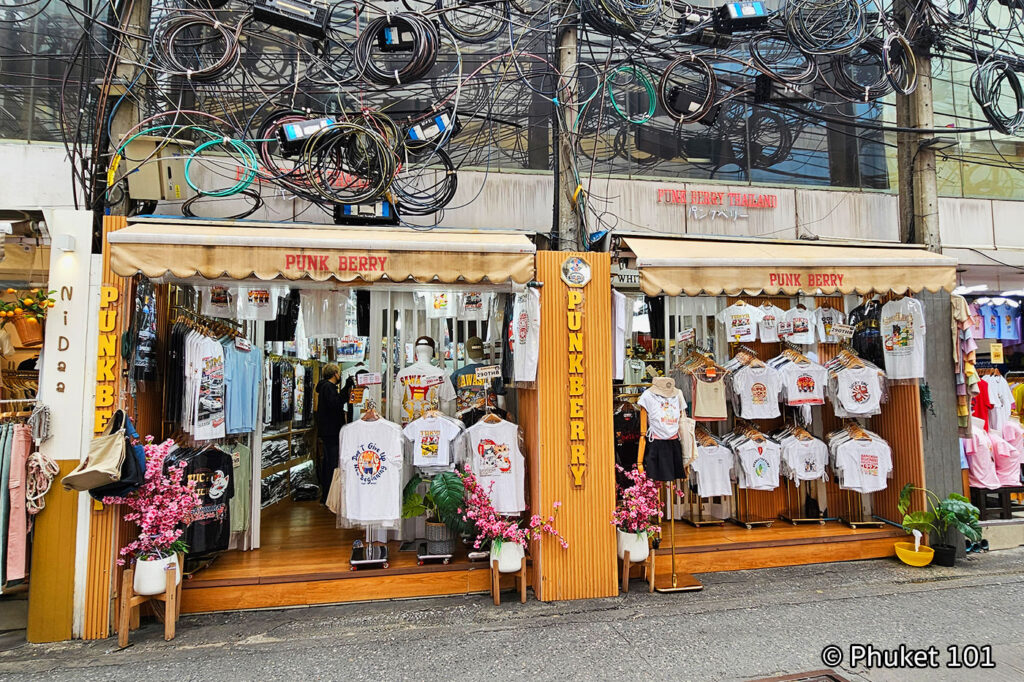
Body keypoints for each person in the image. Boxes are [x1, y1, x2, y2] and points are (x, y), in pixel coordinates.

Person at [316, 364, 344, 503]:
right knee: (331, 463)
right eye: (339, 373)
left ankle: (327, 495)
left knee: (329, 462)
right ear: (335, 374)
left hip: (328, 431)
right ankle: (328, 496)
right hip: (331, 431)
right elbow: (336, 404)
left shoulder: (325, 388)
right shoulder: (328, 388)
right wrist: (345, 391)